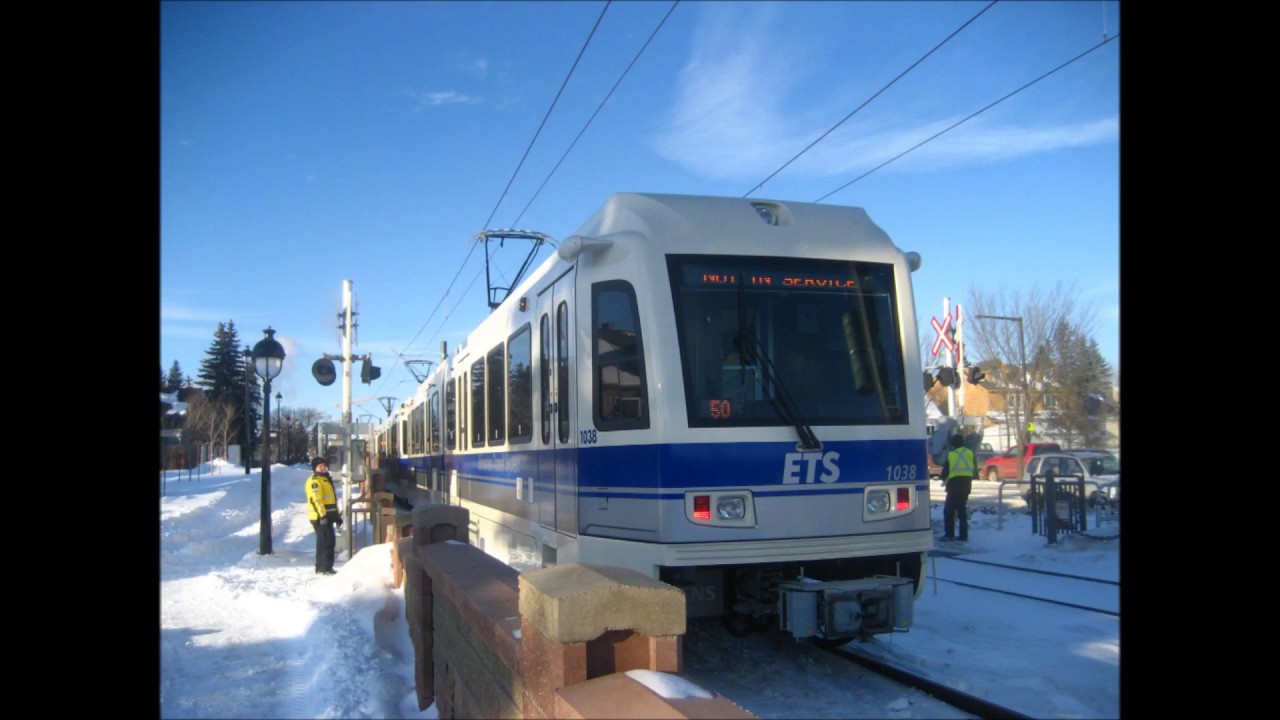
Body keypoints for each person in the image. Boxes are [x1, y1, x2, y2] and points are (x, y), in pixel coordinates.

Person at [306, 457, 342, 574]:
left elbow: (331, 501)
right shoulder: (315, 481)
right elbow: (316, 500)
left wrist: (336, 516)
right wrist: (322, 516)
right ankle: (324, 567)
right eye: (320, 466)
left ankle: (325, 567)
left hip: (328, 517)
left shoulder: (325, 479)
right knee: (326, 542)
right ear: (315, 468)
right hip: (320, 518)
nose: (323, 467)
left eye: (324, 465)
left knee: (328, 541)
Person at [938, 433, 976, 542]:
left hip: (954, 486)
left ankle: (949, 534)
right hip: (966, 485)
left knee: (949, 511)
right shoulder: (970, 453)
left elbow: (945, 473)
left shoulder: (951, 455)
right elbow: (974, 468)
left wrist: (943, 478)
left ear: (954, 444)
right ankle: (963, 536)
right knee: (962, 511)